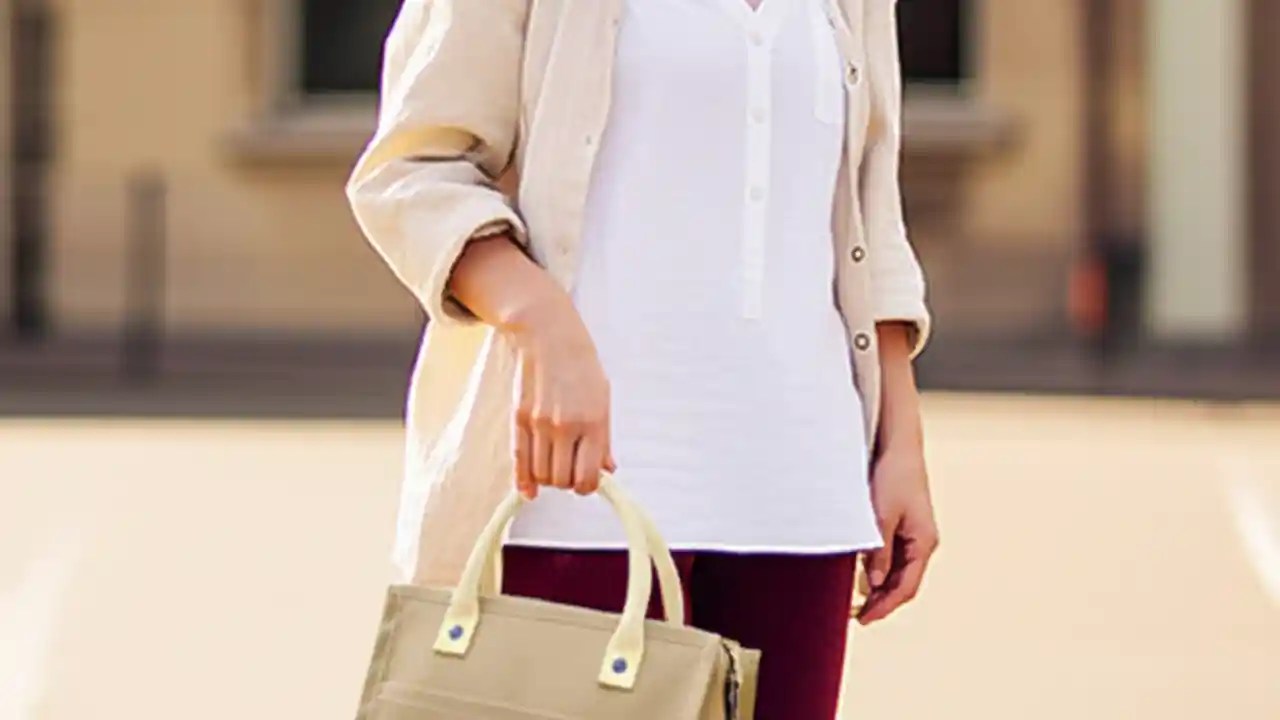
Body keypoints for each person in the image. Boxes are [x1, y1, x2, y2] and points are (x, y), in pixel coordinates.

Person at [347, 0, 939, 717]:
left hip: (799, 488)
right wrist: (540, 320)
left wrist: (899, 441)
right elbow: (412, 170)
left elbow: (871, 205)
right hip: (574, 486)